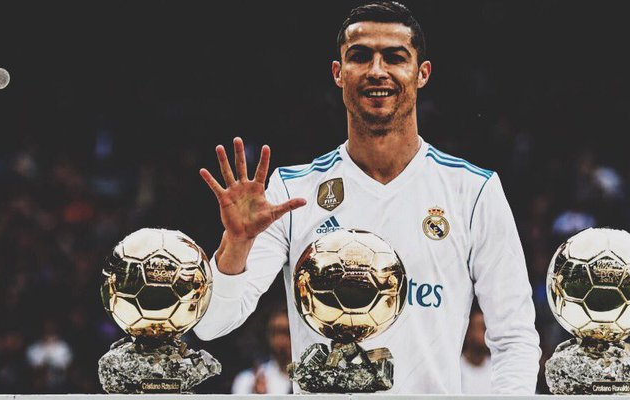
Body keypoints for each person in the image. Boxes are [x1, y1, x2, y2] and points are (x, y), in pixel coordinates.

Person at [193, 1, 540, 393]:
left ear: (422, 73)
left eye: (395, 57)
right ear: (338, 73)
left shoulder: (473, 191)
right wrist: (237, 244)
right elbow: (211, 325)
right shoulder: (292, 191)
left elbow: (514, 337)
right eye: (360, 56)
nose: (377, 70)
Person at [231, 307, 293, 394]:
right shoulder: (248, 380)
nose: (281, 339)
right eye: (275, 332)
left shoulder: (309, 376)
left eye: (286, 332)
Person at [460, 306, 491, 394]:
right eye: (481, 328)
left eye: (486, 329)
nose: (485, 334)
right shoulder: (456, 368)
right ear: (468, 332)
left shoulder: (496, 368)